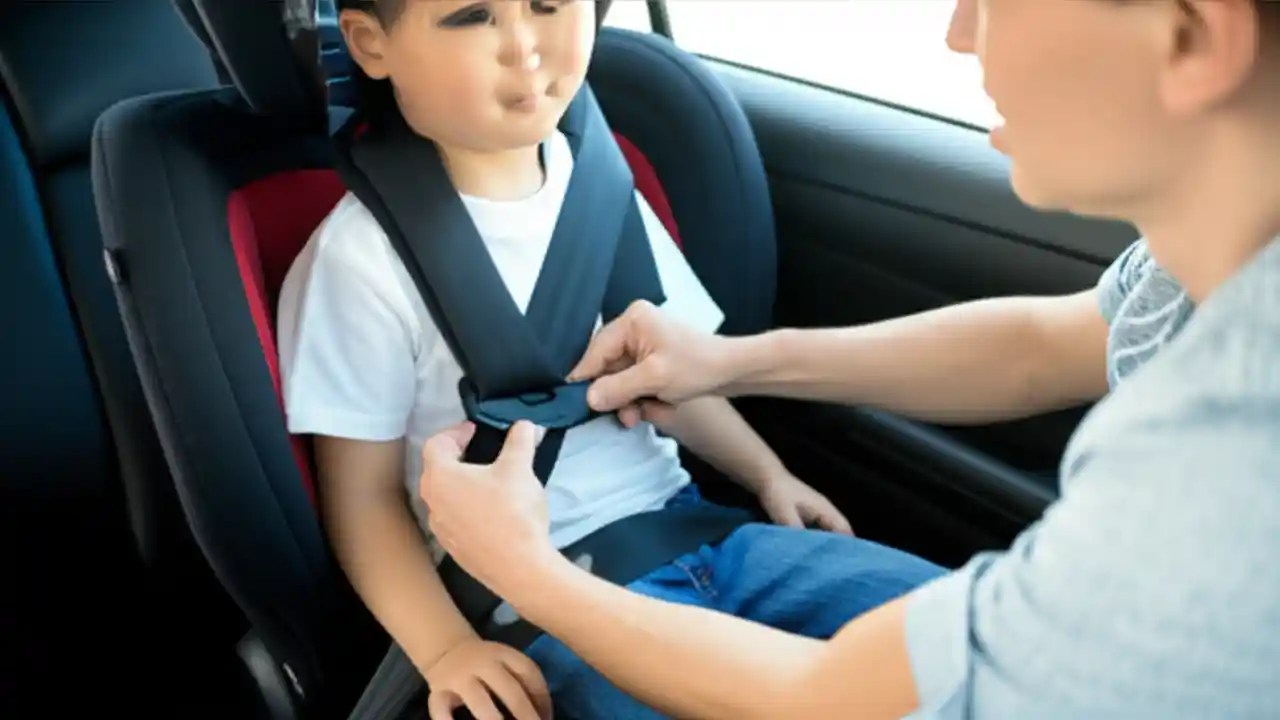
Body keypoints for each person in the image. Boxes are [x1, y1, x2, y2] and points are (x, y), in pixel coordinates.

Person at [418, 0, 1280, 717]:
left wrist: (526, 572)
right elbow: (1052, 343)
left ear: (1193, 35)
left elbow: (831, 699)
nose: (958, 30)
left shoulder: (1220, 465)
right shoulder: (1209, 279)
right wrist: (731, 362)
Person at [275, 1, 944, 718]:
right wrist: (443, 649)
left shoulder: (599, 186)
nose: (524, 46)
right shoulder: (360, 260)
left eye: (547, 6)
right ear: (372, 46)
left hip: (700, 532)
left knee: (950, 640)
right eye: (473, 17)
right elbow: (364, 497)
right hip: (533, 596)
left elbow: (672, 379)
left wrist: (766, 473)